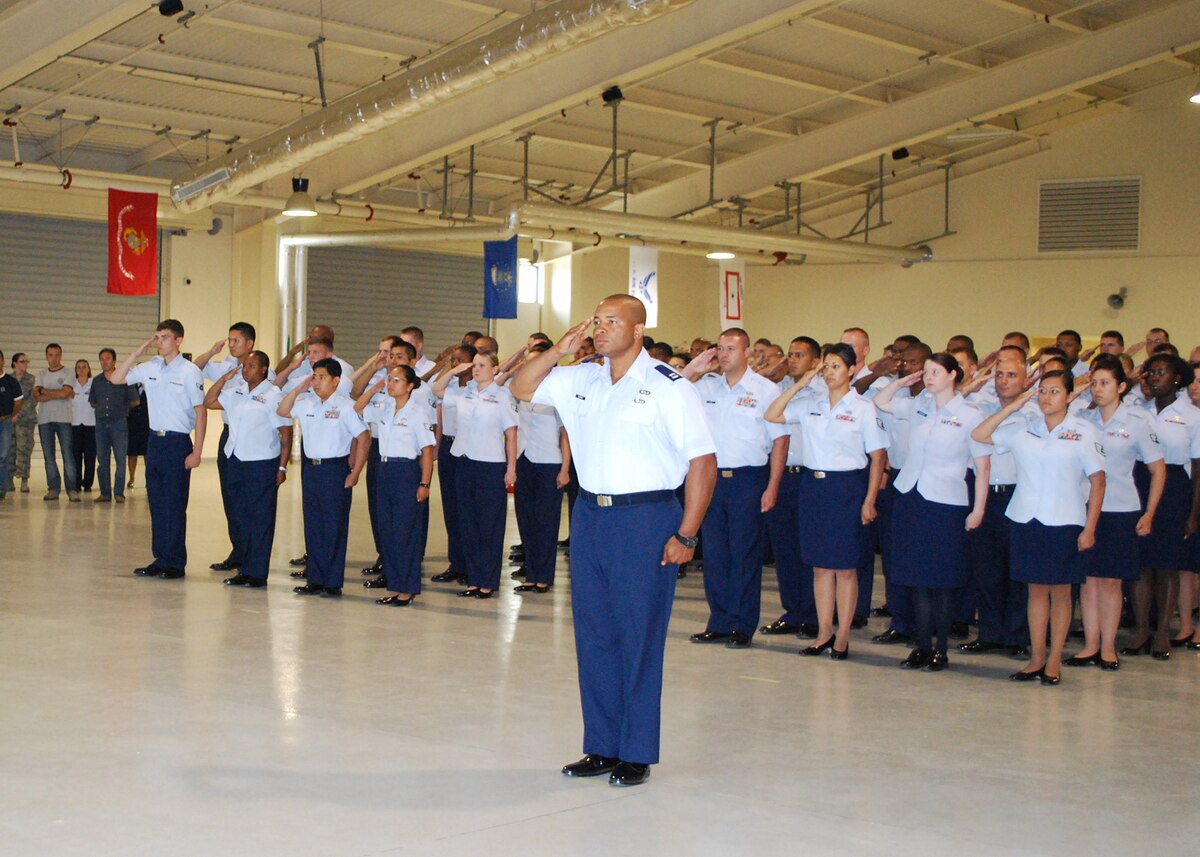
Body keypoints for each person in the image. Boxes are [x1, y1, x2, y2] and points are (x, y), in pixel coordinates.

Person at [512, 294, 716, 788]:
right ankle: (602, 744)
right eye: (596, 322)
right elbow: (521, 386)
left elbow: (703, 463)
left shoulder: (668, 386)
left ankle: (636, 751)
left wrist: (687, 534)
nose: (599, 329)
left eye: (611, 322)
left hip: (645, 519)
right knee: (595, 635)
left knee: (638, 636)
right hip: (590, 516)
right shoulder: (581, 377)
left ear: (638, 330)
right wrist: (558, 349)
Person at [972, 370, 1105, 686]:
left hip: (1064, 521)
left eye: (1055, 391)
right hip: (1026, 519)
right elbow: (980, 434)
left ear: (1070, 396)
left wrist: (1090, 528)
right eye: (1042, 391)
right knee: (1034, 592)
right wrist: (1013, 406)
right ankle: (1036, 658)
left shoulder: (1083, 432)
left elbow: (1098, 481)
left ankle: (1054, 660)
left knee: (1060, 593)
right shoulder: (1024, 429)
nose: (1047, 397)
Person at [765, 342, 888, 660]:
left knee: (844, 568)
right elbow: (772, 414)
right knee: (820, 567)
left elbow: (878, 457)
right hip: (813, 489)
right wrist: (802, 384)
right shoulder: (811, 403)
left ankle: (843, 635)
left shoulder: (863, 408)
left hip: (847, 489)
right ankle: (823, 633)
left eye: (837, 366)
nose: (830, 372)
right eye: (827, 366)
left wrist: (870, 500)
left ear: (851, 370)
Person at [875, 353, 990, 671]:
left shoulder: (969, 414)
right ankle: (922, 645)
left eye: (935, 371)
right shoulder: (919, 406)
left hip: (946, 504)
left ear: (953, 375)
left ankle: (940, 648)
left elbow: (983, 467)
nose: (927, 377)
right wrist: (903, 381)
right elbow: (881, 401)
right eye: (925, 371)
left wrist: (978, 509)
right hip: (911, 498)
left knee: (941, 578)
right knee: (916, 576)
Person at [684, 329, 787, 649]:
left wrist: (773, 485)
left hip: (748, 479)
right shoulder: (706, 386)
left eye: (731, 348)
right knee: (715, 554)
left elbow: (780, 440)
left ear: (747, 353)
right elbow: (671, 390)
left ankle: (742, 625)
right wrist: (694, 369)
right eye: (720, 348)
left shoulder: (765, 390)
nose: (724, 354)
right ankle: (719, 621)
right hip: (711, 479)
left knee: (744, 554)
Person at [1071, 356, 1164, 669]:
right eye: (1094, 383)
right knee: (1088, 580)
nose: (1097, 389)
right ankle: (1090, 645)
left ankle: (1108, 647)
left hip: (1120, 509)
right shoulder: (1083, 420)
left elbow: (1158, 470)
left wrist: (1149, 513)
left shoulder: (1137, 422)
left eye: (1105, 383)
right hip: (1085, 506)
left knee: (1111, 581)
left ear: (1122, 387)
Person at [111, 321, 207, 580]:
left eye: (164, 337)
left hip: (177, 442)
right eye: (157, 337)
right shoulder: (150, 367)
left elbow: (200, 413)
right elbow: (116, 378)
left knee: (174, 504)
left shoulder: (190, 372)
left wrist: (197, 452)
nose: (159, 342)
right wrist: (137, 353)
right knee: (157, 503)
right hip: (154, 441)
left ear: (178, 340)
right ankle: (161, 558)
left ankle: (175, 562)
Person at [960, 345, 1035, 659]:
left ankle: (1017, 636)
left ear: (1026, 379)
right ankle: (990, 632)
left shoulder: (1035, 414)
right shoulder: (980, 408)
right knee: (986, 569)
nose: (1004, 381)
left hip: (1019, 494)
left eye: (1012, 375)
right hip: (985, 494)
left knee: (1017, 570)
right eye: (1000, 375)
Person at [1124, 353, 1200, 659]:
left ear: (1177, 378)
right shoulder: (1136, 410)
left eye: (1160, 372)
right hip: (1139, 482)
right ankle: (1142, 630)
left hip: (1174, 488)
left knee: (1167, 565)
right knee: (1141, 563)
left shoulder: (1192, 416)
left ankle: (1163, 633)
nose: (1154, 378)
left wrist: (1193, 513)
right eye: (1150, 373)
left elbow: (1198, 470)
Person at [277, 358, 369, 598]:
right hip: (311, 470)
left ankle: (332, 582)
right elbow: (282, 411)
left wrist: (356, 472)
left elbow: (364, 437)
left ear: (336, 381)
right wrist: (298, 389)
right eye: (314, 377)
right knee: (313, 525)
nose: (316, 382)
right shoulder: (307, 402)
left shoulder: (346, 407)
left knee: (334, 526)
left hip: (334, 470)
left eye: (322, 378)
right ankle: (315, 579)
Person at [203, 351, 292, 588]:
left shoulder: (273, 395)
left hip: (261, 463)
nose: (246, 370)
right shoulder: (237, 391)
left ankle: (257, 573)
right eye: (245, 366)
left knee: (260, 519)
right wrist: (223, 379)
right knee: (240, 516)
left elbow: (285, 432)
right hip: (236, 460)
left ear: (264, 369)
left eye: (252, 366)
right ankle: (245, 567)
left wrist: (282, 466)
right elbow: (210, 401)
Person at [434, 351, 518, 598]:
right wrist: (453, 370)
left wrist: (511, 468)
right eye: (474, 365)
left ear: (495, 369)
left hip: (490, 465)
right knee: (467, 523)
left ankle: (488, 581)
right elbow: (436, 390)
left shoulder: (502, 396)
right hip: (464, 461)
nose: (476, 369)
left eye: (482, 365)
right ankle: (473, 579)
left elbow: (511, 434)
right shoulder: (463, 393)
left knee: (489, 525)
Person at [871, 342, 935, 647]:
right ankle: (900, 620)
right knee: (893, 556)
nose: (907, 368)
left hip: (925, 482)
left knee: (921, 556)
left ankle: (926, 623)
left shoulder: (936, 402)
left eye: (914, 363)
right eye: (904, 363)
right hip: (896, 478)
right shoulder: (896, 398)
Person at [354, 364, 436, 605]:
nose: (391, 384)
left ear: (410, 386)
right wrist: (374, 389)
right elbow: (358, 407)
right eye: (390, 379)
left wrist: (425, 483)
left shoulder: (418, 413)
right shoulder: (385, 408)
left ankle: (407, 588)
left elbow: (427, 451)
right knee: (387, 530)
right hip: (384, 469)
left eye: (397, 380)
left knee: (405, 532)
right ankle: (394, 584)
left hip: (406, 471)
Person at [194, 322, 270, 572]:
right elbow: (196, 367)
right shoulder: (225, 366)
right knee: (230, 495)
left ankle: (251, 554)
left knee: (249, 499)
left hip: (253, 437)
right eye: (229, 340)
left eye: (236, 340)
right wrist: (211, 352)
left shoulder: (261, 368)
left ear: (250, 343)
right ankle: (238, 550)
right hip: (230, 433)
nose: (231, 344)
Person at [760, 336, 821, 638]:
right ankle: (792, 611)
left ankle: (813, 614)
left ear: (815, 362)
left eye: (799, 355)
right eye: (790, 354)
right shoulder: (778, 390)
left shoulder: (822, 393)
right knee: (784, 549)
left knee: (809, 549)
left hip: (810, 477)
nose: (792, 360)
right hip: (781, 475)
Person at [513, 343, 571, 594]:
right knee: (526, 518)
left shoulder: (558, 393)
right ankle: (530, 572)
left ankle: (544, 575)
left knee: (546, 521)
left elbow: (565, 434)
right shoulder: (520, 390)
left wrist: (565, 469)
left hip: (549, 462)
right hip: (524, 459)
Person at [430, 344, 476, 585]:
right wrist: (437, 445)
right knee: (451, 508)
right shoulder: (449, 387)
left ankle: (471, 565)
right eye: (454, 360)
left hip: (467, 449)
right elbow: (435, 392)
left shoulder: (477, 388)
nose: (456, 363)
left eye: (461, 360)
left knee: (467, 509)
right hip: (448, 447)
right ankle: (456, 563)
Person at [90, 348, 139, 503]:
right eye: (102, 359)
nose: (105, 362)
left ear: (114, 361)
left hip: (119, 423)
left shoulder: (124, 379)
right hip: (101, 423)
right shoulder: (96, 381)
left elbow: (135, 400)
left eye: (108, 358)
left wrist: (121, 409)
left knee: (120, 459)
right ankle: (105, 493)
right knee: (102, 459)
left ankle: (119, 493)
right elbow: (93, 402)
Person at [33, 343, 78, 501]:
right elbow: (37, 396)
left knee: (68, 454)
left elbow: (65, 393)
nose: (54, 358)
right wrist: (60, 393)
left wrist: (44, 390)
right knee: (49, 456)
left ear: (61, 355)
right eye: (51, 355)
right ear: (46, 356)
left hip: (64, 419)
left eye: (57, 355)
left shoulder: (69, 372)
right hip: (44, 420)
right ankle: (53, 488)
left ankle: (72, 489)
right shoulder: (41, 373)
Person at [8, 353, 36, 494]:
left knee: (24, 448)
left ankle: (24, 479)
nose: (25, 364)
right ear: (15, 363)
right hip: (8, 420)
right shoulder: (7, 380)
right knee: (9, 448)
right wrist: (10, 414)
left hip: (26, 420)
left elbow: (32, 399)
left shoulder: (31, 379)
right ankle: (9, 479)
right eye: (22, 361)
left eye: (26, 361)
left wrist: (18, 413)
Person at [69, 359, 96, 494]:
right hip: (75, 424)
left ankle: (88, 483)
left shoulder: (94, 383)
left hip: (91, 424)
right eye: (78, 367)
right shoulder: (71, 385)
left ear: (89, 369)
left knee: (90, 456)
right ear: (75, 370)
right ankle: (76, 482)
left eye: (84, 367)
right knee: (76, 456)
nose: (81, 369)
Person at [0, 350, 23, 501]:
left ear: (3, 361)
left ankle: (1, 489)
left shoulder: (11, 381)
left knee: (3, 456)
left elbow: (18, 402)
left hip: (5, 423)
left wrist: (10, 415)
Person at [125, 384, 149, 489]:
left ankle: (148, 478)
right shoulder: (130, 386)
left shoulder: (150, 385)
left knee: (147, 453)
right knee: (132, 453)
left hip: (147, 424)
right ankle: (131, 478)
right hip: (132, 423)